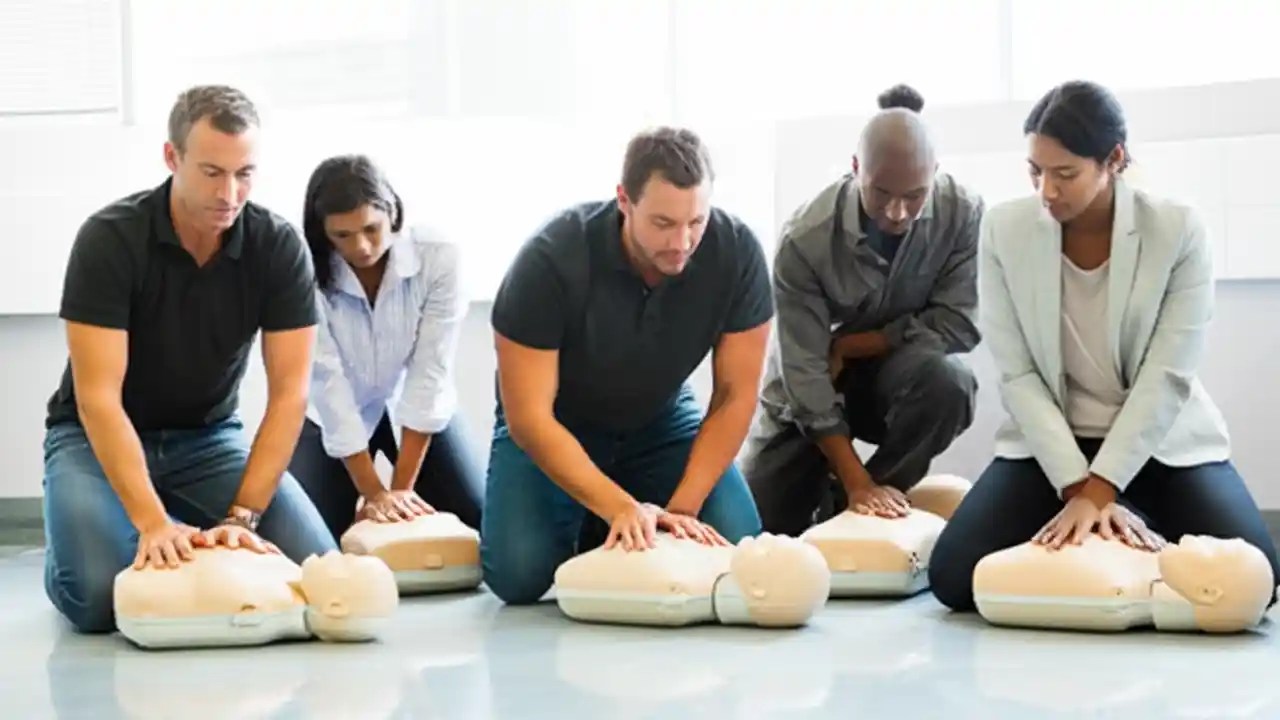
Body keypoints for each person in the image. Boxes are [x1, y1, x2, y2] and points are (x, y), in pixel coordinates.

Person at [928, 80, 1280, 611]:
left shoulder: (1177, 229)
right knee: (953, 579)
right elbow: (1018, 376)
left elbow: (1166, 375)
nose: (1047, 190)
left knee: (1259, 578)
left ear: (1113, 159)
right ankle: (1114, 527)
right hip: (1052, 448)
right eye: (1036, 171)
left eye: (1065, 173)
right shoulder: (1004, 229)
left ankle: (1122, 515)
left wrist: (1101, 490)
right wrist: (1077, 487)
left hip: (1159, 445)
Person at [41, 85, 335, 634]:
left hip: (207, 440)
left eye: (244, 173)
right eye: (211, 172)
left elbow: (290, 394)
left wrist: (242, 517)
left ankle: (180, 531)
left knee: (310, 568)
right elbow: (98, 399)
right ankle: (91, 537)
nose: (230, 193)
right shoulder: (110, 238)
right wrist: (152, 523)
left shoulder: (278, 247)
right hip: (92, 437)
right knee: (98, 598)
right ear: (171, 157)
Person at [480, 126, 774, 604]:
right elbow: (529, 417)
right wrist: (620, 508)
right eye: (662, 223)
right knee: (519, 577)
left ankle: (626, 515)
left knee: (734, 542)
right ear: (624, 201)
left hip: (659, 419)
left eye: (696, 222)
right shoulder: (550, 259)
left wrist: (683, 512)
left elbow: (735, 395)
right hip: (557, 421)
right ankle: (601, 518)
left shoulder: (737, 252)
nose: (682, 242)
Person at [741, 85, 984, 536]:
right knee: (754, 529)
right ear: (855, 170)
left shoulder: (963, 212)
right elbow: (807, 378)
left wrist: (856, 344)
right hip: (811, 386)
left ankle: (853, 507)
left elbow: (961, 324)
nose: (897, 212)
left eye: (915, 195)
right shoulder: (805, 239)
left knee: (950, 383)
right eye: (881, 193)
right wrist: (855, 476)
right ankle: (847, 484)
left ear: (935, 173)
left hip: (890, 376)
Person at [286, 154, 484, 541]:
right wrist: (373, 494)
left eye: (371, 229)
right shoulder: (301, 268)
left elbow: (429, 373)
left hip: (410, 412)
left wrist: (400, 494)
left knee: (477, 524)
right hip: (328, 418)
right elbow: (328, 383)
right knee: (307, 544)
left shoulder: (438, 256)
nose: (361, 246)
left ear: (392, 213)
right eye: (342, 235)